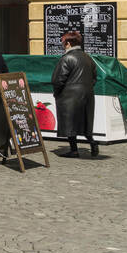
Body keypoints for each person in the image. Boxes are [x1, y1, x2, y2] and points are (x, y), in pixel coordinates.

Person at [52, 30, 98, 158]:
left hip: (69, 95)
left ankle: (74, 150)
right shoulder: (88, 58)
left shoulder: (67, 58)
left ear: (67, 43)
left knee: (70, 123)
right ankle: (92, 142)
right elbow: (94, 78)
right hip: (87, 94)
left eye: (63, 43)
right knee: (85, 122)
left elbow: (58, 79)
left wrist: (57, 93)